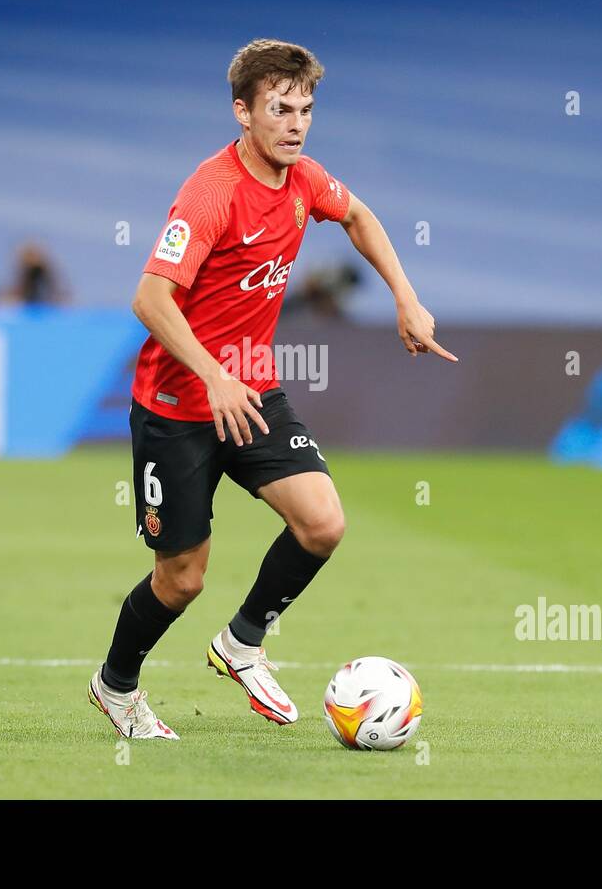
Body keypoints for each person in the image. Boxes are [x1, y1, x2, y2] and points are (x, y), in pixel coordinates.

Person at [88, 38, 457, 739]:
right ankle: (115, 687)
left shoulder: (305, 180)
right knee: (182, 580)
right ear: (243, 113)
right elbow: (150, 297)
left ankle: (242, 643)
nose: (295, 124)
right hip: (179, 406)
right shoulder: (211, 194)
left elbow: (359, 216)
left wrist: (407, 299)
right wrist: (212, 373)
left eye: (305, 110)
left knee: (322, 522)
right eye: (279, 109)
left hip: (252, 392)